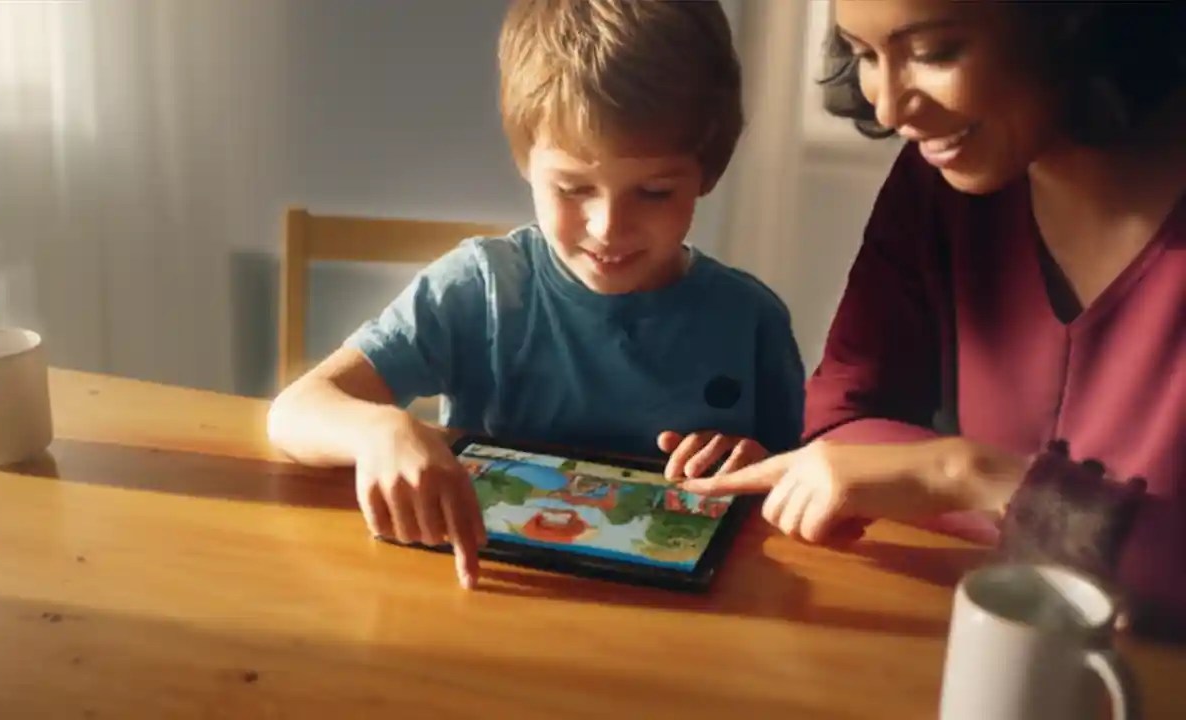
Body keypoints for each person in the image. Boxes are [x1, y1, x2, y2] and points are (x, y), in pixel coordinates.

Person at [675, 0, 1186, 637]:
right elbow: (839, 423)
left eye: (935, 52)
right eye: (864, 55)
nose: (888, 110)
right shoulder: (936, 183)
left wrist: (966, 476)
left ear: (1070, 23)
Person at [268, 0, 805, 590]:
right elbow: (297, 409)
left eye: (653, 192)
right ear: (526, 161)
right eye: (573, 187)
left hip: (675, 630)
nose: (608, 227)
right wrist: (381, 431)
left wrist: (755, 470)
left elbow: (795, 496)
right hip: (494, 600)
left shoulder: (750, 322)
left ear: (707, 171)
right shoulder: (482, 290)